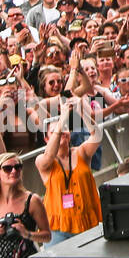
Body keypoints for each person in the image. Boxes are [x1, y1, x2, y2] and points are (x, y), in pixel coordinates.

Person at [35, 99, 102, 244]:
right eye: (53, 132)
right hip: (58, 227)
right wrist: (61, 122)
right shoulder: (42, 160)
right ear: (47, 138)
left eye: (65, 128)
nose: (61, 132)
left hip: (86, 221)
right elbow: (48, 157)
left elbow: (97, 136)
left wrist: (81, 112)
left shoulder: (81, 152)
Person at [0, 151, 52, 258]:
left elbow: (47, 236)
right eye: (7, 168)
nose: (14, 171)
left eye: (18, 167)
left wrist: (26, 233)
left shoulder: (32, 200)